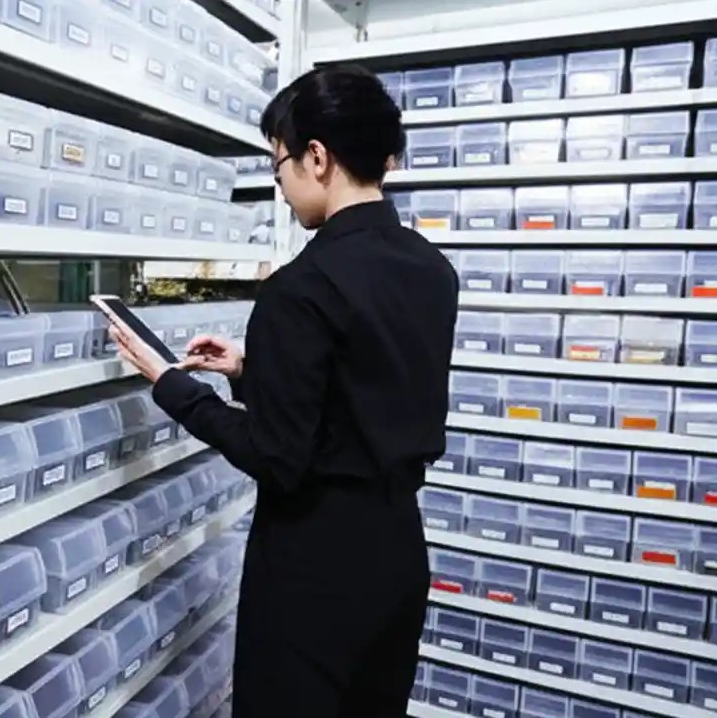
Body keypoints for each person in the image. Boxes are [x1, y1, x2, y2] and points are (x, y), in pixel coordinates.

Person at [108, 64, 458, 717]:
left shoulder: (302, 287)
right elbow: (364, 385)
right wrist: (253, 367)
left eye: (279, 169)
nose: (282, 188)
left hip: (314, 566)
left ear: (316, 158)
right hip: (397, 554)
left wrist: (174, 386)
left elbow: (277, 455)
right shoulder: (431, 270)